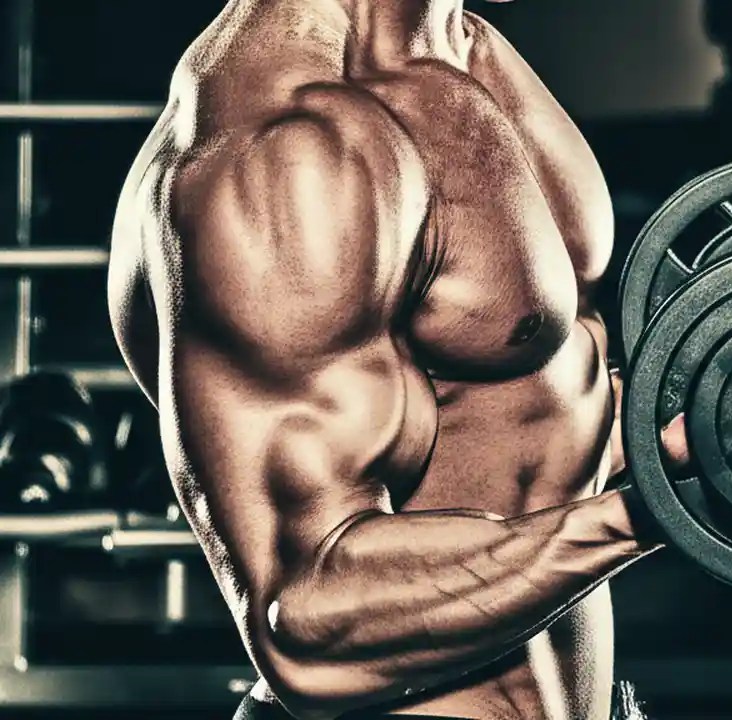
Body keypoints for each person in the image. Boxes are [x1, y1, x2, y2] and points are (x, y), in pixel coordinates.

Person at [107, 0, 688, 717]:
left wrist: (705, 422)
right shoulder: (283, 155)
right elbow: (307, 622)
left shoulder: (462, 50)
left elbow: (535, 427)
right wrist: (647, 517)